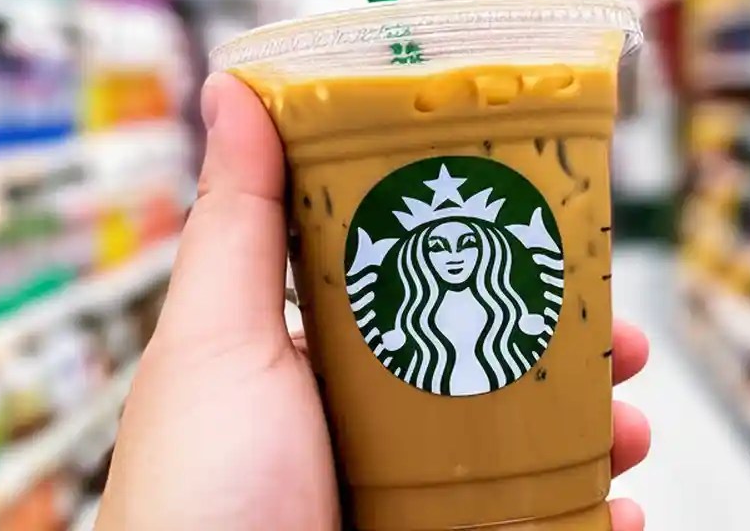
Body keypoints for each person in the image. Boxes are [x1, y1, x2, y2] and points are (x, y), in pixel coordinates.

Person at [95, 72, 652, 530]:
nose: (453, 255)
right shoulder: (411, 330)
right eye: (436, 243)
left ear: (491, 250)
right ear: (415, 257)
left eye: (467, 241)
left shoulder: (509, 317)